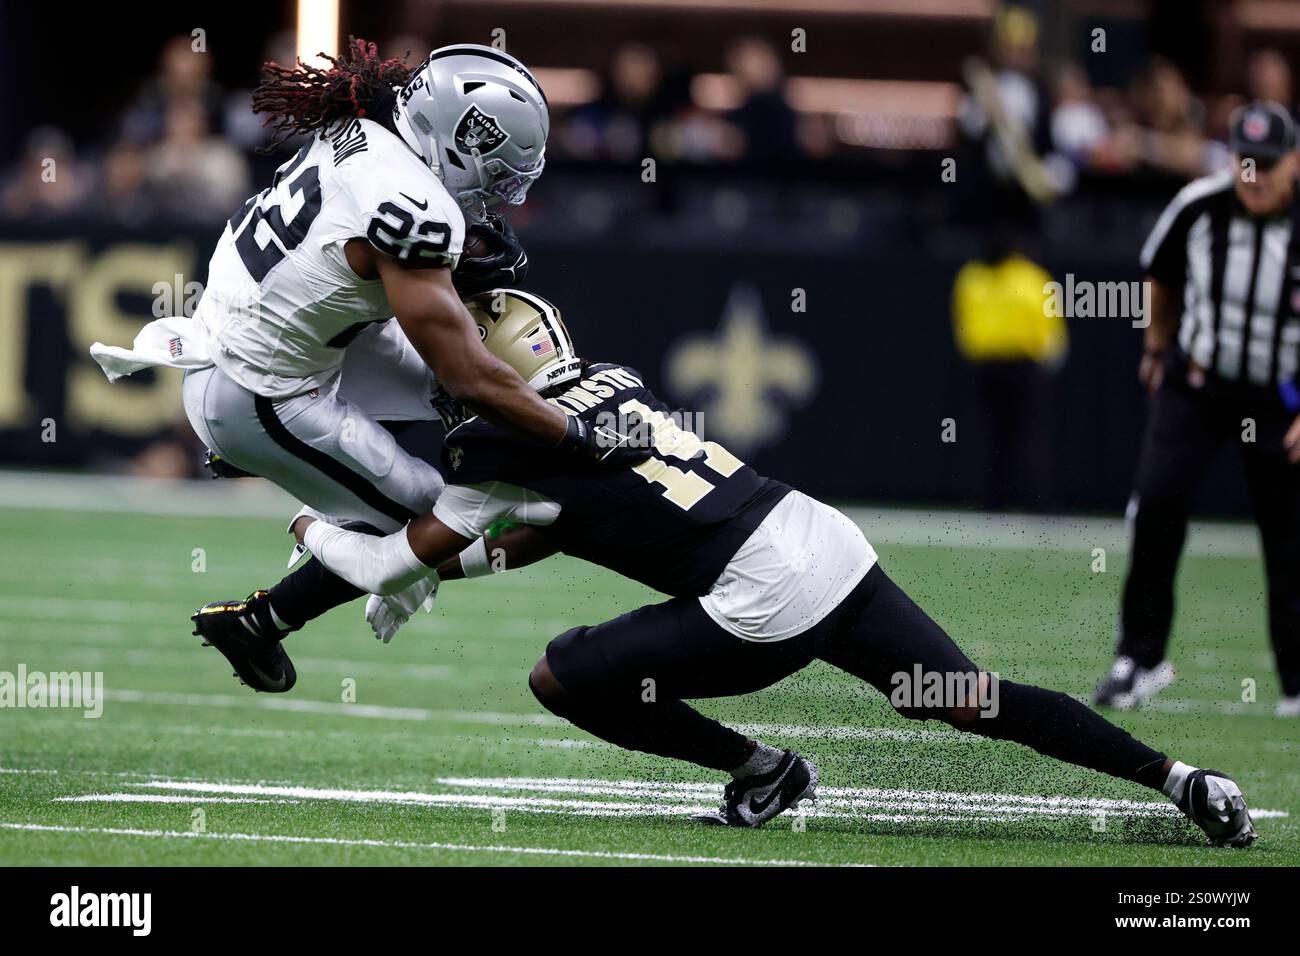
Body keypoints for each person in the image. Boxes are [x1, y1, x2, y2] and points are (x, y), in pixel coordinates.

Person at [288, 288, 1255, 847]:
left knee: (562, 674)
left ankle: (763, 770)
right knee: (967, 696)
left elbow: (403, 554)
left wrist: (315, 536)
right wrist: (437, 577)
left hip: (762, 594)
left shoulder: (511, 446)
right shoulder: (597, 388)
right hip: (813, 533)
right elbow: (552, 524)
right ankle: (1182, 781)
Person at [89, 40, 644, 694]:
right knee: (432, 527)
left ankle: (268, 607)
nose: (496, 200)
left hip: (294, 339)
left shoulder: (370, 123)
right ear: (455, 146)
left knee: (460, 421)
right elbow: (469, 371)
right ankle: (306, 519)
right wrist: (573, 436)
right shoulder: (412, 206)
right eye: (494, 176)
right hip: (260, 389)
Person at [1096, 102, 1300, 717]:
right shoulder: (1198, 206)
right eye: (1246, 161)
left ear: (1293, 162)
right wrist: (1157, 345)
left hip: (1280, 396)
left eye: (1268, 164)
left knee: (1289, 535)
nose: (1255, 175)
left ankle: (1297, 678)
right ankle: (1141, 657)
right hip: (1199, 384)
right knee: (1157, 502)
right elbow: (1160, 274)